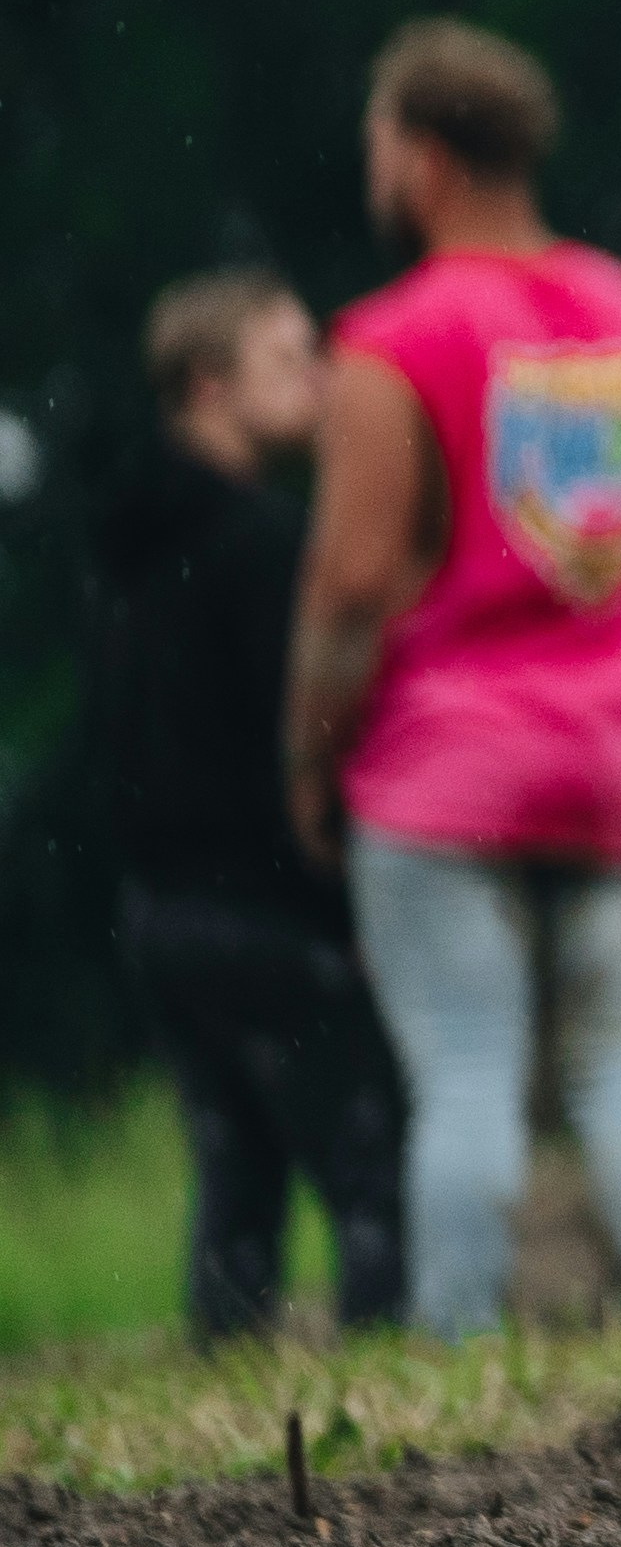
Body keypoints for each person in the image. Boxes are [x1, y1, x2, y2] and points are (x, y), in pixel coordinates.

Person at [289, 21, 621, 1334]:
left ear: (422, 161)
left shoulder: (390, 341)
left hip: (448, 769)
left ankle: (457, 1357)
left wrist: (312, 753)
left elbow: (350, 585)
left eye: (377, 144)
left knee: (469, 1074)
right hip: (620, 764)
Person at [91, 272, 406, 1340]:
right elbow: (301, 741)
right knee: (374, 1162)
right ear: (206, 385)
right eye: (288, 360)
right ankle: (394, 1382)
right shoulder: (265, 543)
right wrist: (346, 905)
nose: (321, 380)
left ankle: (222, 1383)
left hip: (160, 913)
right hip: (264, 904)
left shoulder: (126, 548)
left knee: (239, 1175)